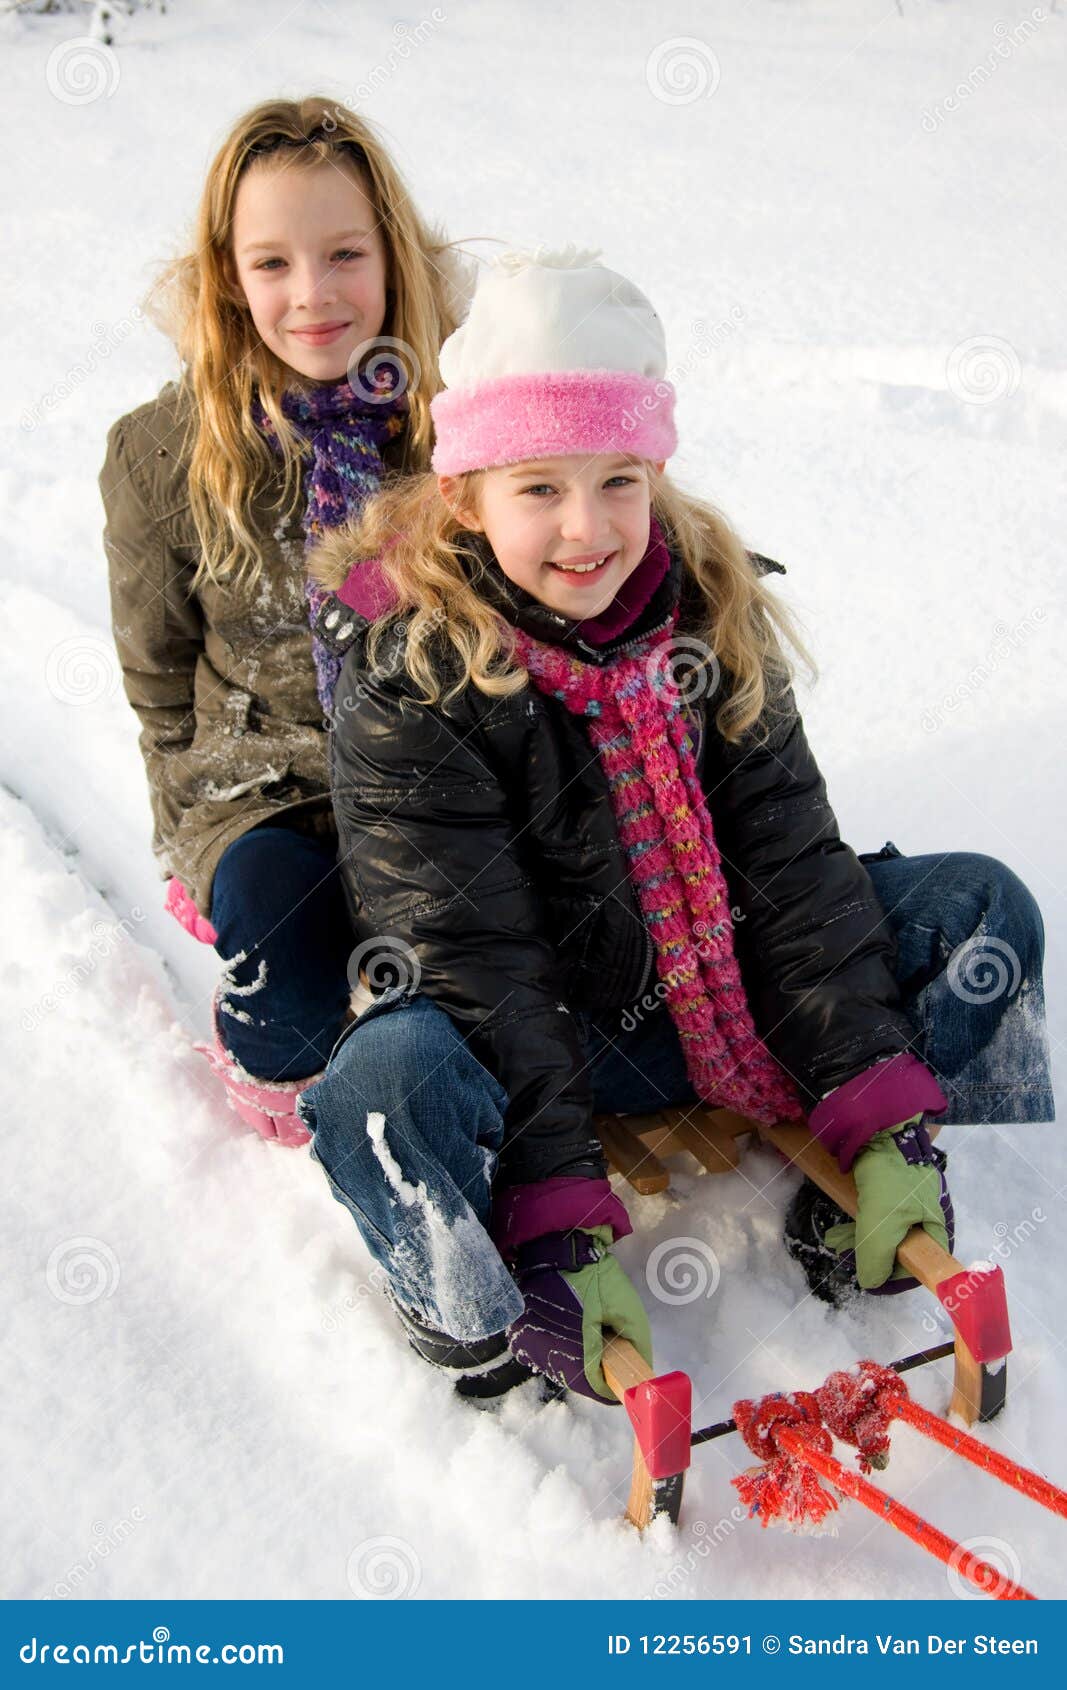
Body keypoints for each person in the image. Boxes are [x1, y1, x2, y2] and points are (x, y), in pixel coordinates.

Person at [297, 248, 1055, 1405]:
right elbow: (477, 965)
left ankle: (846, 1201)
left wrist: (879, 1103)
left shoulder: (708, 611)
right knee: (384, 1088)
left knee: (983, 909)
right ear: (464, 495)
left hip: (714, 995)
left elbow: (794, 872)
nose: (585, 528)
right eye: (538, 489)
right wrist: (554, 1202)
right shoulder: (415, 680)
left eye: (617, 480)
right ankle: (478, 1313)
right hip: (532, 1043)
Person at [100, 96, 467, 1145]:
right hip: (261, 786)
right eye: (272, 264)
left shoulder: (454, 419)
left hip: (432, 770)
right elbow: (159, 677)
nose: (313, 295)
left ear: (391, 254)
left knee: (477, 984)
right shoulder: (161, 453)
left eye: (343, 253)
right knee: (295, 985)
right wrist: (189, 838)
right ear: (226, 275)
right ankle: (272, 1040)